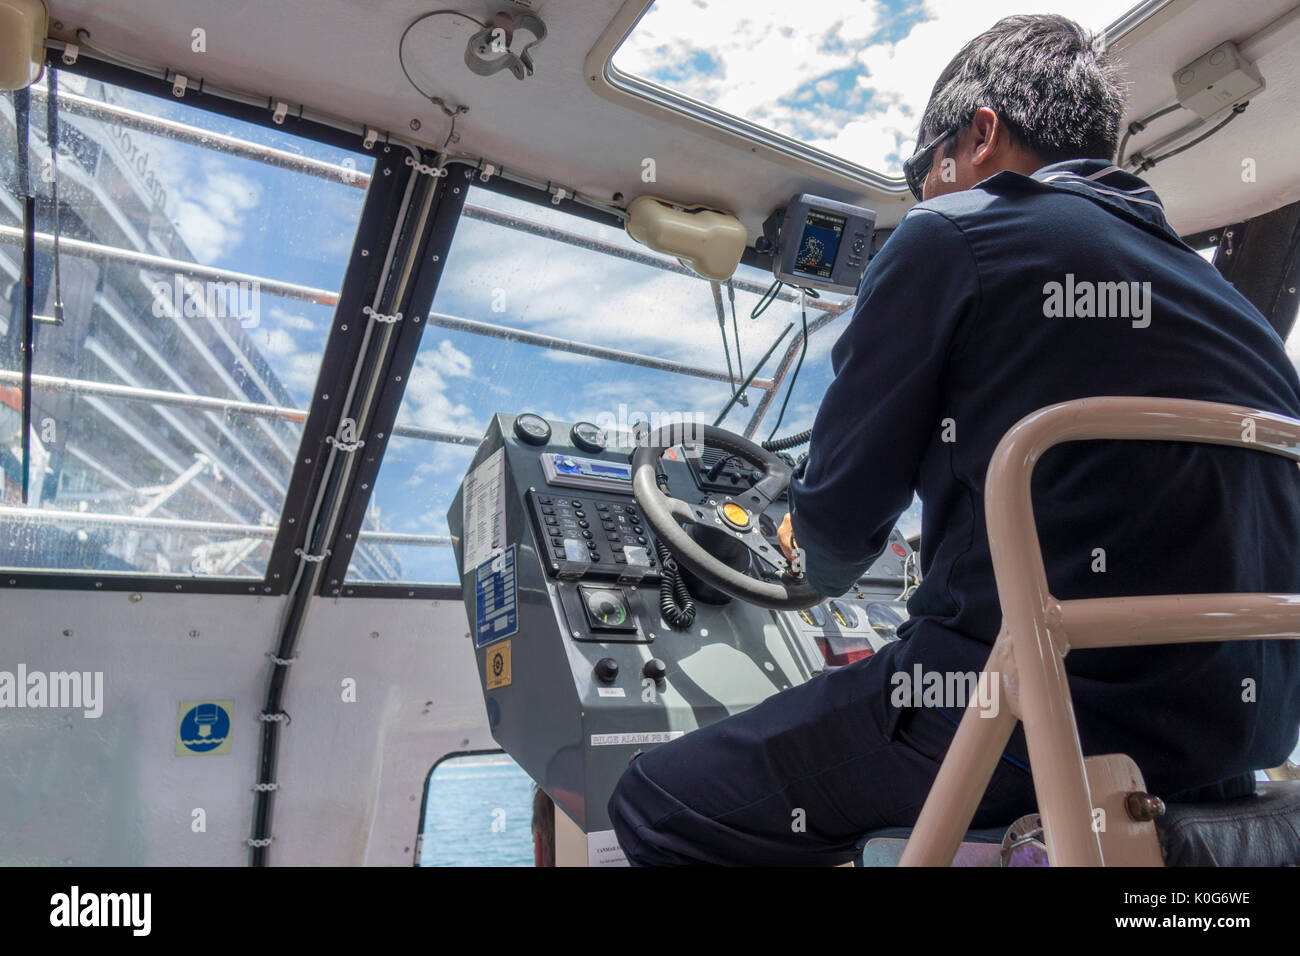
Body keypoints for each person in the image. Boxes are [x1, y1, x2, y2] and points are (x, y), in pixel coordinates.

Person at [607, 13, 1300, 866]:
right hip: (1233, 746)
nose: (921, 195)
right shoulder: (1236, 309)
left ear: (979, 136)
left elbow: (832, 539)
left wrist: (791, 541)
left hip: (1026, 718)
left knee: (654, 801)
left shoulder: (954, 232)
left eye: (917, 170)